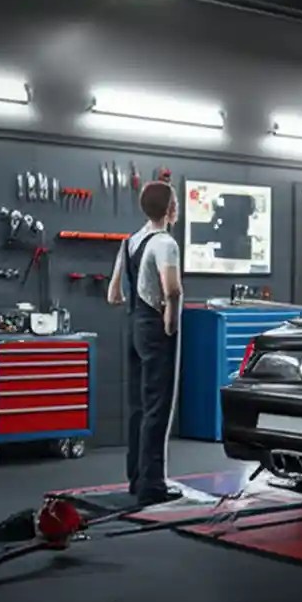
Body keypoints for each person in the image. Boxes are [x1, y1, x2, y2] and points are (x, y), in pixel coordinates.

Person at [107, 180, 184, 506]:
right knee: (158, 407)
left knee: (139, 406)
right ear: (169, 209)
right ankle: (153, 486)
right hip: (155, 327)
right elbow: (173, 290)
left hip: (133, 325)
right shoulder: (165, 242)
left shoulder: (130, 241)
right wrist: (170, 320)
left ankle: (137, 479)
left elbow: (113, 293)